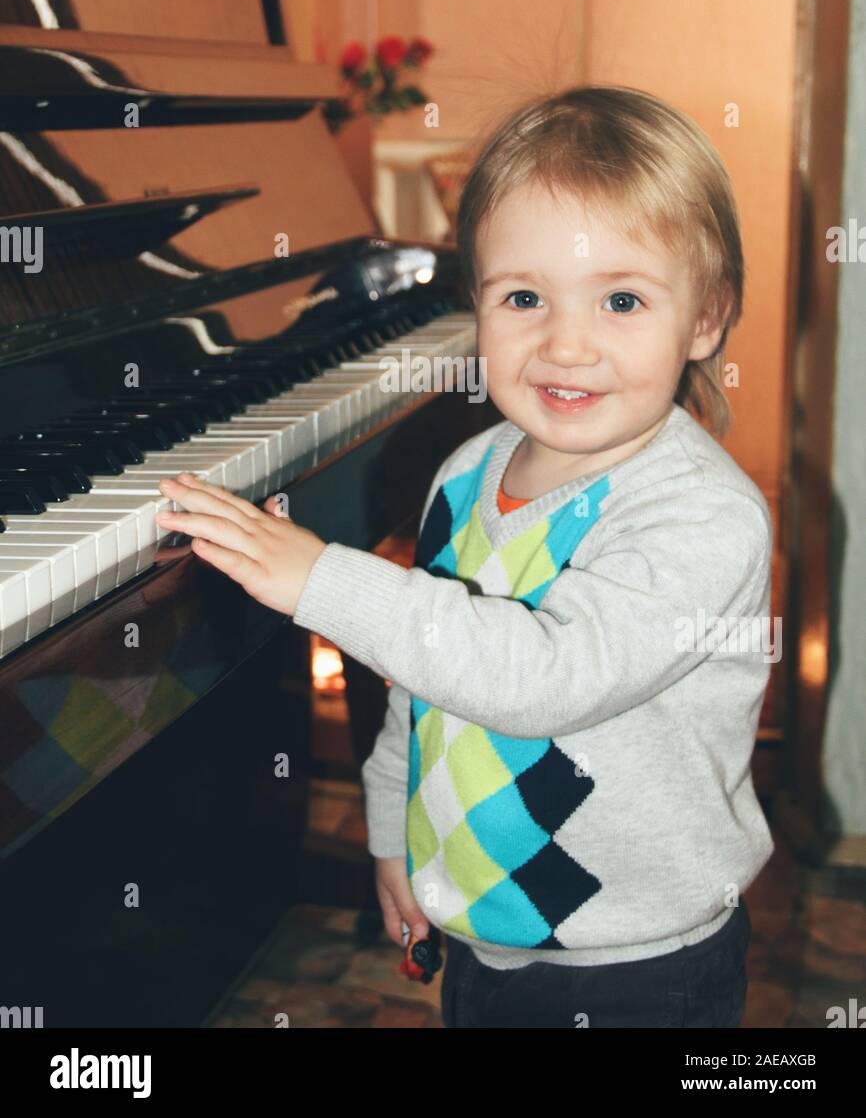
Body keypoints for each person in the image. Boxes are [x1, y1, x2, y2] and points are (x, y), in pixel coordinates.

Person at [156, 85, 774, 1029]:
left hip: (637, 966)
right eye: (523, 297)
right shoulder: (466, 474)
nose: (567, 343)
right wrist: (397, 835)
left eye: (621, 299)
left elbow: (546, 676)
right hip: (487, 940)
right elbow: (426, 681)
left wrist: (324, 580)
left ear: (705, 318)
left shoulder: (702, 517)